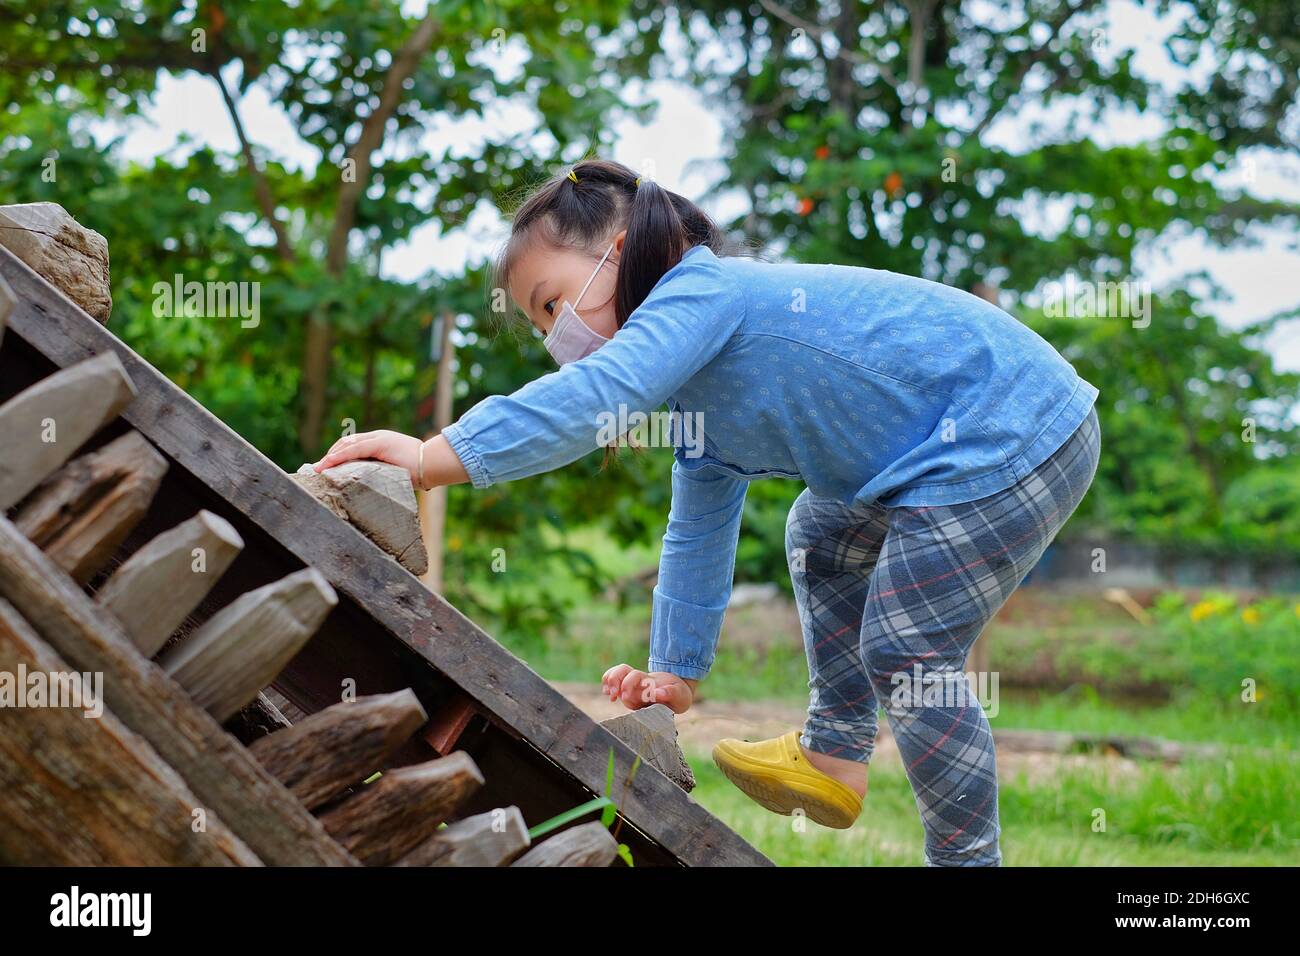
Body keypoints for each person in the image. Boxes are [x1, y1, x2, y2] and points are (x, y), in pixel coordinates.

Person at [312, 157, 1102, 866]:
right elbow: (696, 528)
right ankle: (834, 753)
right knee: (820, 533)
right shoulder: (695, 402)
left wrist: (429, 456)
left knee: (906, 647)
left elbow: (596, 399)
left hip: (1014, 425)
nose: (557, 335)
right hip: (949, 450)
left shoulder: (704, 289)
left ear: (617, 248)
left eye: (553, 303)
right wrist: (675, 673)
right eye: (540, 324)